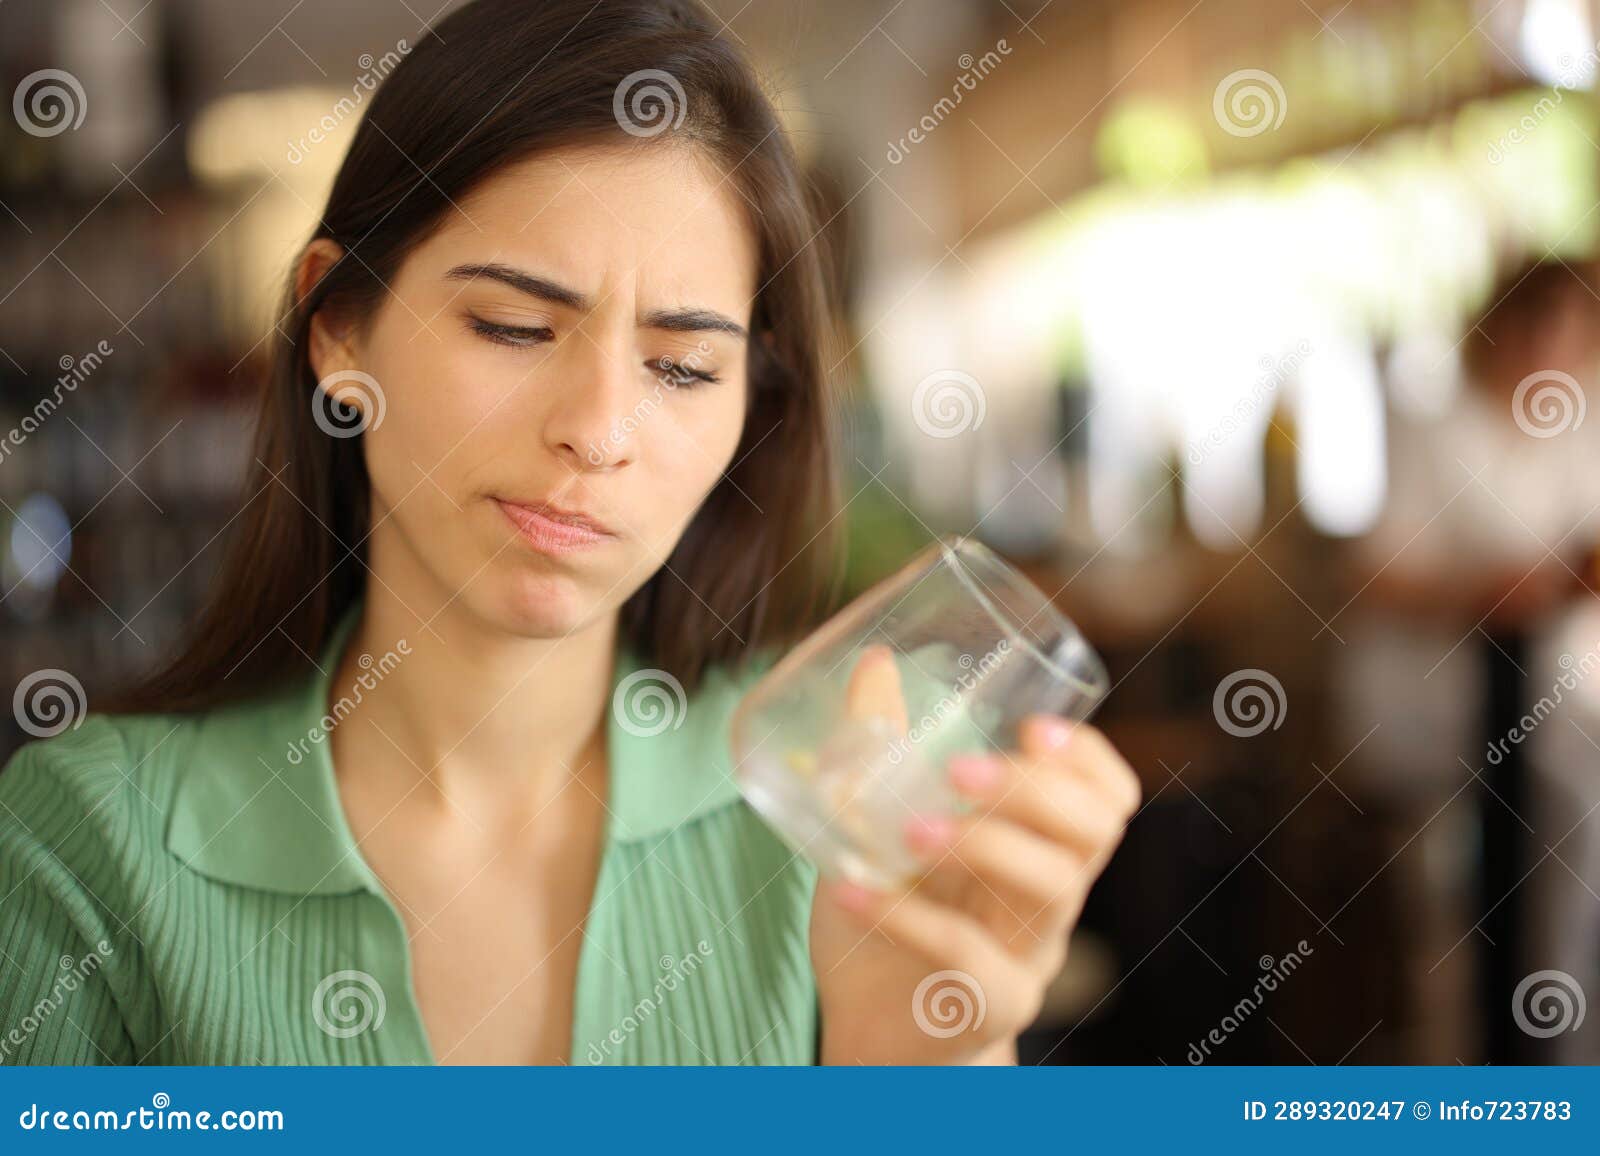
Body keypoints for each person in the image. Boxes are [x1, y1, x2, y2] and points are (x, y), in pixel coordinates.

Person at [0, 0, 1139, 1066]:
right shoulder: (92, 851)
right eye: (510, 327)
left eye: (682, 366)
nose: (598, 433)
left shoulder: (834, 822)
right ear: (340, 329)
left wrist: (914, 1079)